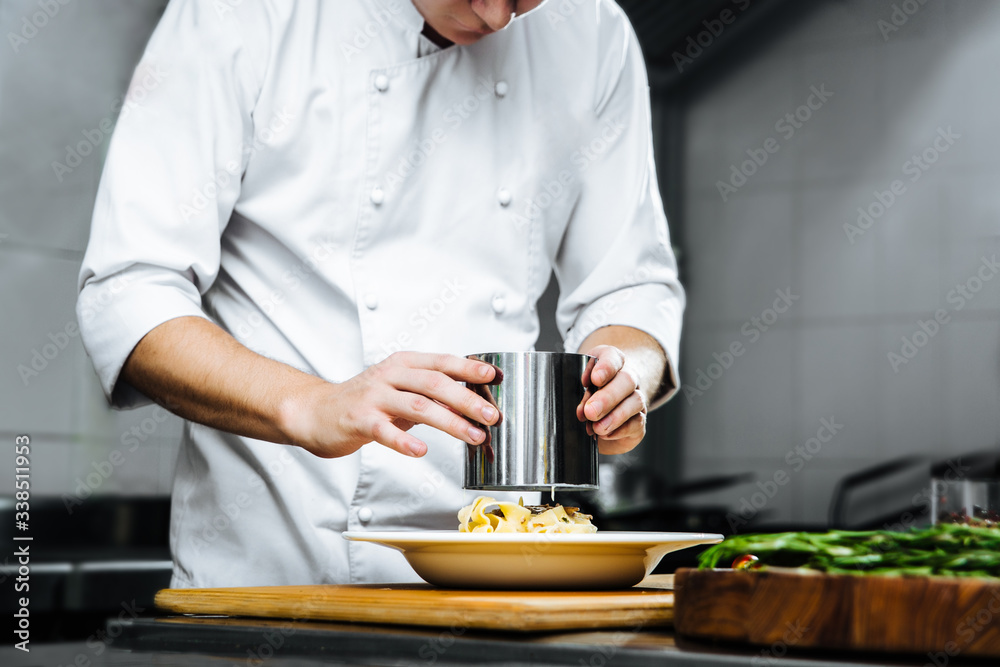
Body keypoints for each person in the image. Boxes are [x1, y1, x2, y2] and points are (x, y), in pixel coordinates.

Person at [76, 0, 684, 588]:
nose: (498, 15)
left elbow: (628, 288)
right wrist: (310, 404)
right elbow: (130, 291)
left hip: (498, 588)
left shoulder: (593, 31)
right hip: (273, 582)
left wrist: (624, 375)